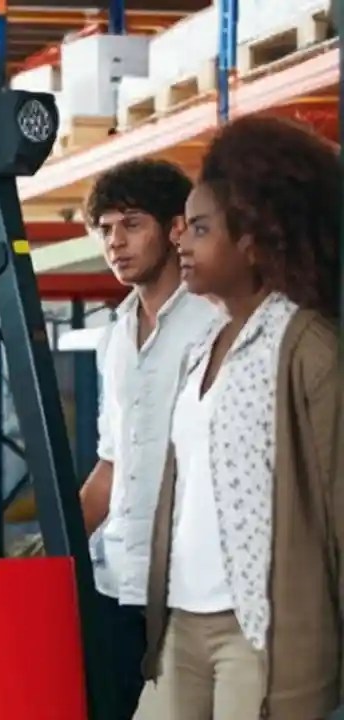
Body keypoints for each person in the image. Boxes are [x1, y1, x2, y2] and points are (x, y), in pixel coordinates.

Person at [143, 116, 341, 719]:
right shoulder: (202, 349)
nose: (182, 241)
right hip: (180, 625)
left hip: (260, 636)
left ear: (254, 239)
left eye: (200, 229)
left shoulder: (308, 348)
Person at [76, 159, 220, 720]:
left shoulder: (213, 323)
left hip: (190, 589)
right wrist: (49, 548)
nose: (116, 242)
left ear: (177, 228)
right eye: (107, 228)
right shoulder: (115, 334)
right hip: (117, 583)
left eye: (132, 224)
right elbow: (112, 464)